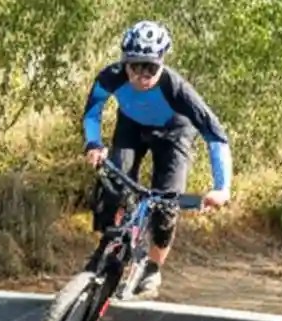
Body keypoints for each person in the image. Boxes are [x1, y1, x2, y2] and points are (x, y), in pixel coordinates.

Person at [81, 19, 233, 297]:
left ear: (162, 62)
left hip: (174, 132)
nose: (142, 74)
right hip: (131, 126)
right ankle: (107, 248)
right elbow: (92, 112)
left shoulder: (177, 89)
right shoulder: (110, 77)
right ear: (124, 62)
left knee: (166, 205)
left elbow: (217, 136)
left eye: (150, 66)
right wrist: (93, 143)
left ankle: (152, 269)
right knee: (113, 185)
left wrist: (222, 188)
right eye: (135, 65)